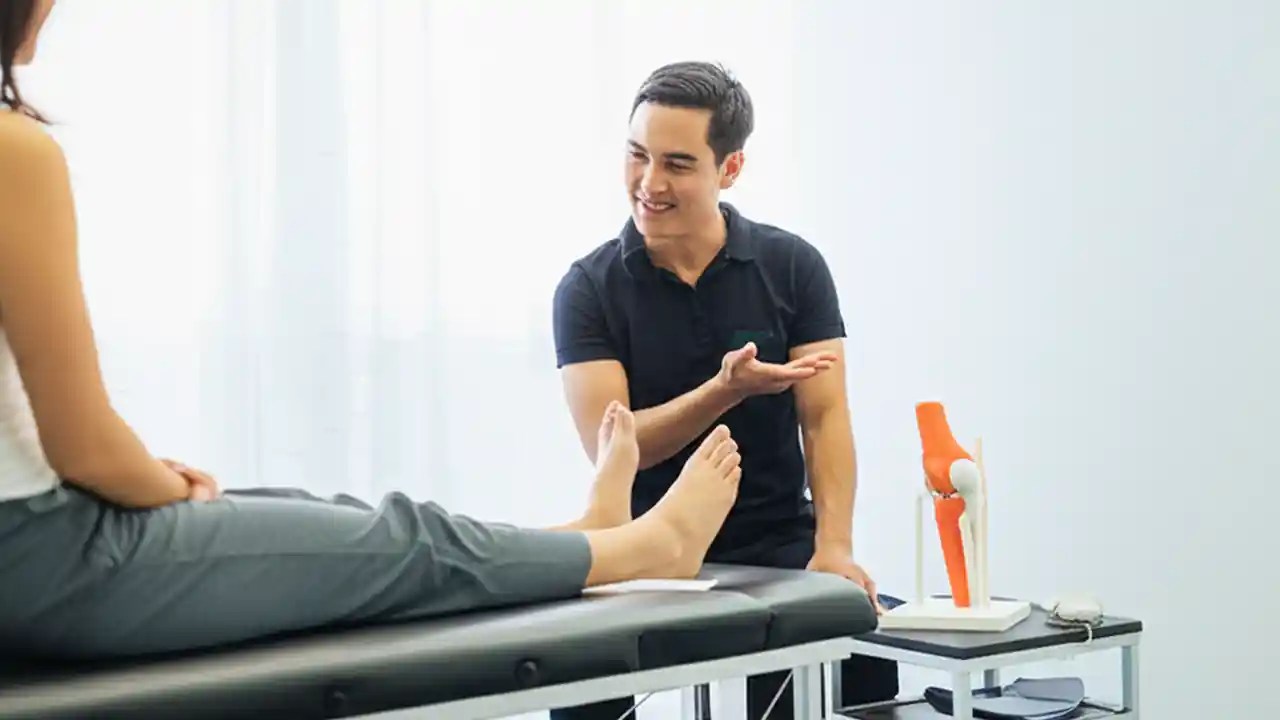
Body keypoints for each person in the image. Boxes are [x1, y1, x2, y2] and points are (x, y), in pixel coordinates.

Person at [0, 0, 745, 661]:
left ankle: (590, 535)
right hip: (45, 559)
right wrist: (159, 485)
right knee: (399, 541)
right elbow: (85, 444)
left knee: (325, 520)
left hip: (37, 546)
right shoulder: (16, 149)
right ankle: (652, 548)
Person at [551, 61, 900, 718]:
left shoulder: (792, 267)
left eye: (677, 164)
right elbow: (615, 452)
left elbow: (824, 421)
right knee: (573, 682)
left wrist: (834, 550)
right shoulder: (587, 289)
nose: (649, 183)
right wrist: (724, 390)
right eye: (637, 155)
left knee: (866, 660)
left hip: (777, 544)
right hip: (643, 549)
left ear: (730, 168)